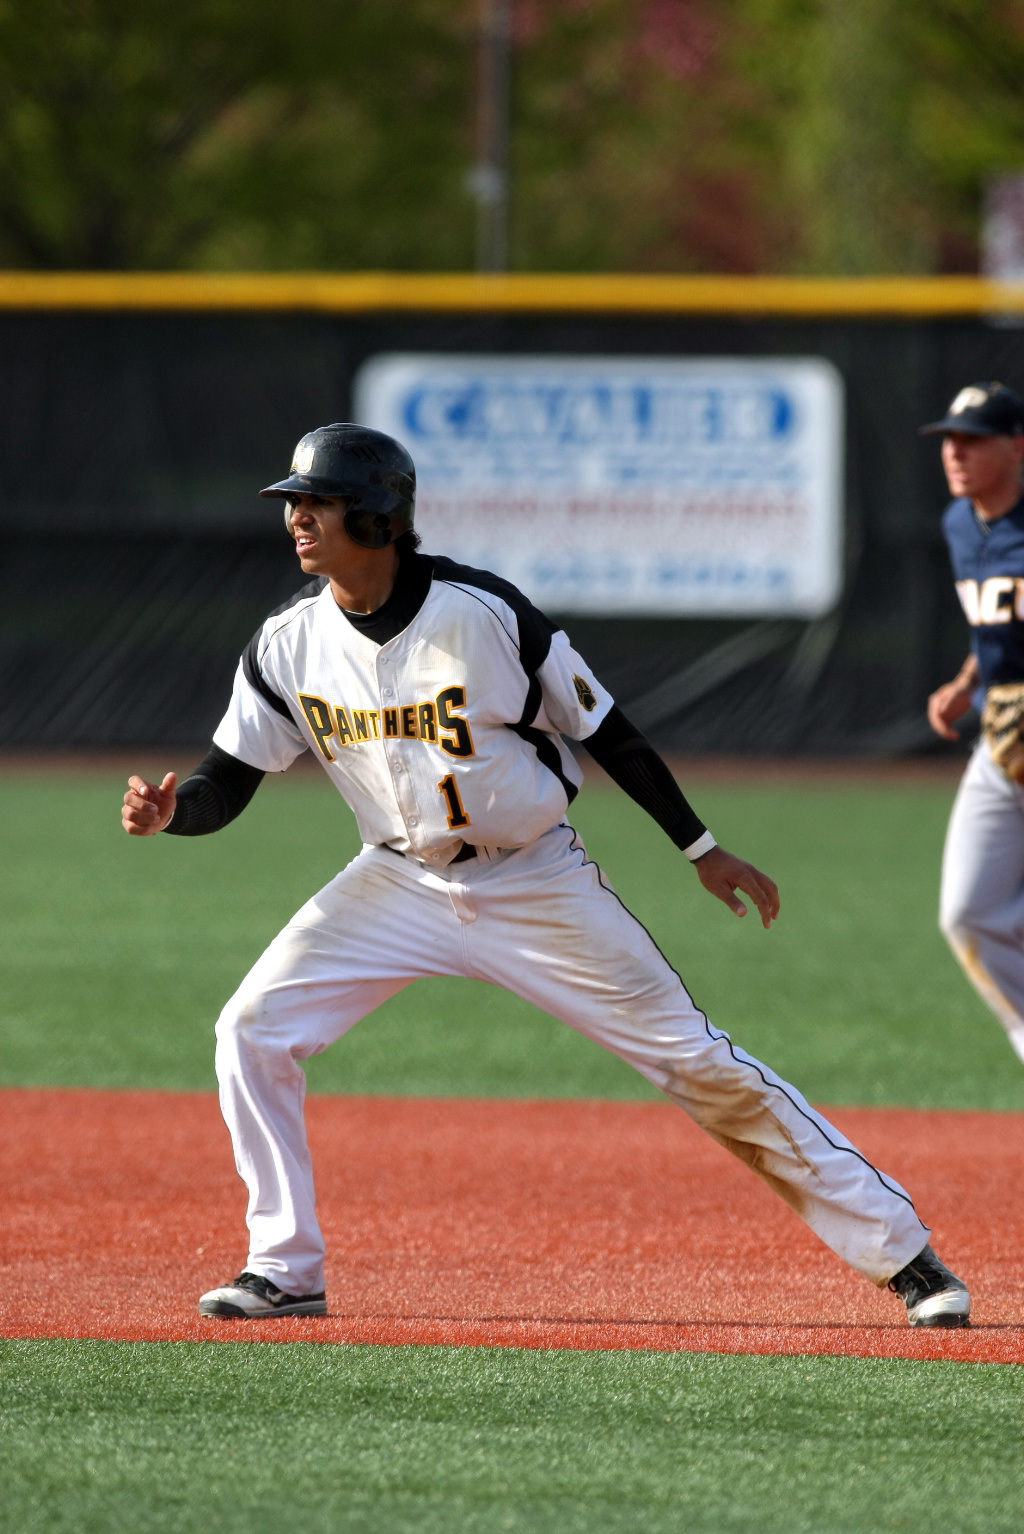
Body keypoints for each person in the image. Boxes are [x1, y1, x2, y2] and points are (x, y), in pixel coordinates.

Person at [122, 423, 970, 1329]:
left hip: (534, 879)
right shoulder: (288, 642)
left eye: (315, 501)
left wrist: (700, 847)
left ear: (374, 515)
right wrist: (178, 812)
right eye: (292, 502)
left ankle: (905, 1257)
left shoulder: (482, 613)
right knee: (251, 1029)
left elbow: (608, 729)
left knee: (695, 1060)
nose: (295, 518)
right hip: (395, 882)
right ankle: (284, 1267)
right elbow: (228, 777)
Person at [925, 381, 1024, 1065]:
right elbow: (995, 621)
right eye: (950, 441)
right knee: (966, 913)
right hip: (1002, 739)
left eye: (974, 439)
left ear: (1017, 446)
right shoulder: (962, 523)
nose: (956, 453)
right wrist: (965, 683)